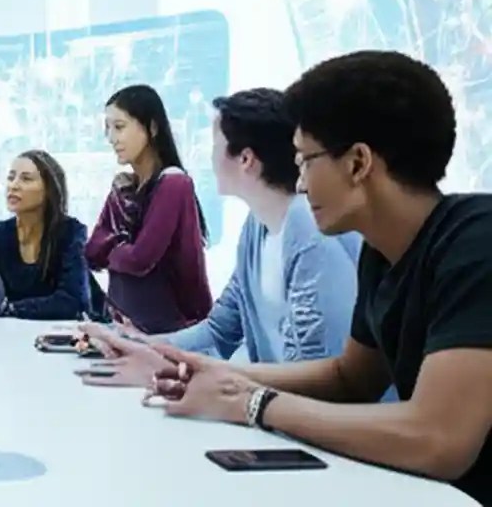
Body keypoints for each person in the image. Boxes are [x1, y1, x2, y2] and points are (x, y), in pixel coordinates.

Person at [142, 51, 492, 504]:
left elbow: (437, 438)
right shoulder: (381, 254)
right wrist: (219, 375)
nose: (301, 183)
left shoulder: (476, 243)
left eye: (306, 160)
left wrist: (253, 404)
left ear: (358, 163)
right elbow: (350, 377)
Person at [78, 88, 360, 387]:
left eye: (215, 143)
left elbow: (318, 373)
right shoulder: (256, 227)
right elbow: (218, 330)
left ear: (246, 159)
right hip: (282, 410)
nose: (209, 154)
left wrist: (194, 377)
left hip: (321, 421)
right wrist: (138, 345)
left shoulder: (307, 227)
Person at [84, 85, 212, 334]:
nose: (111, 138)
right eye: (107, 129)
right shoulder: (125, 188)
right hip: (129, 331)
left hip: (173, 335)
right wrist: (119, 242)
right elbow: (92, 254)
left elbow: (140, 259)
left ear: (152, 127)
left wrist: (113, 247)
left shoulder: (174, 183)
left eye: (119, 127)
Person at [0, 150, 93, 320]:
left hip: (66, 337)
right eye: (11, 178)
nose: (14, 185)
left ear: (49, 189)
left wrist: (9, 309)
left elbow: (72, 302)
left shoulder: (71, 233)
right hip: (17, 334)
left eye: (26, 179)